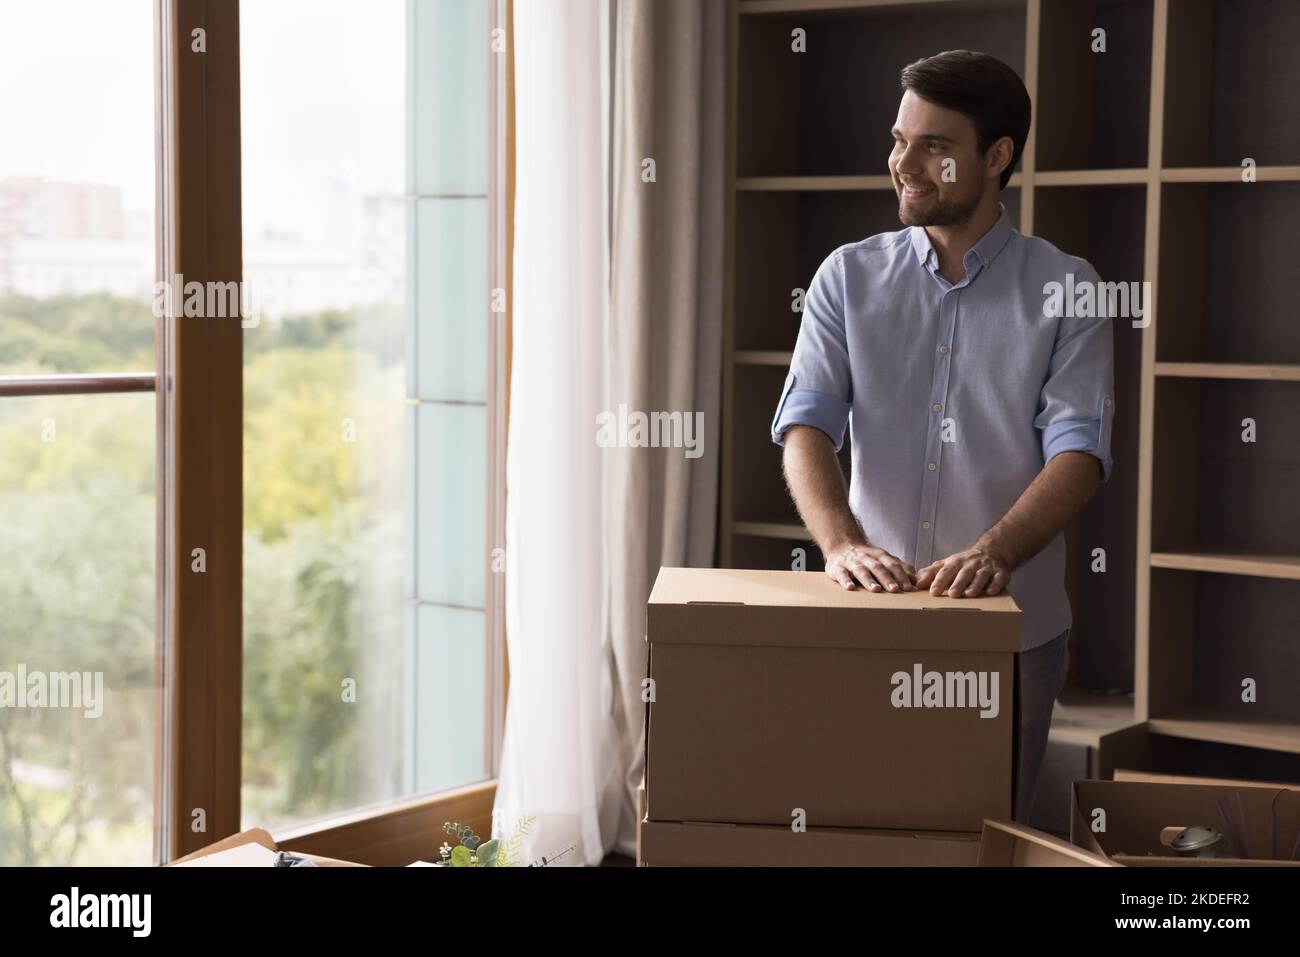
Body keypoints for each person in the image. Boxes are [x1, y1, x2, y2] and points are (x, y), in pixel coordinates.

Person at [771, 50, 1116, 822]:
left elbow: (1079, 451)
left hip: (1014, 637)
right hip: (868, 623)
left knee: (983, 839)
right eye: (899, 140)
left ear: (997, 157)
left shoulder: (1070, 286)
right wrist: (841, 545)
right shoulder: (844, 279)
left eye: (935, 146)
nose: (905, 164)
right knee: (856, 832)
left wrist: (994, 551)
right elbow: (806, 425)